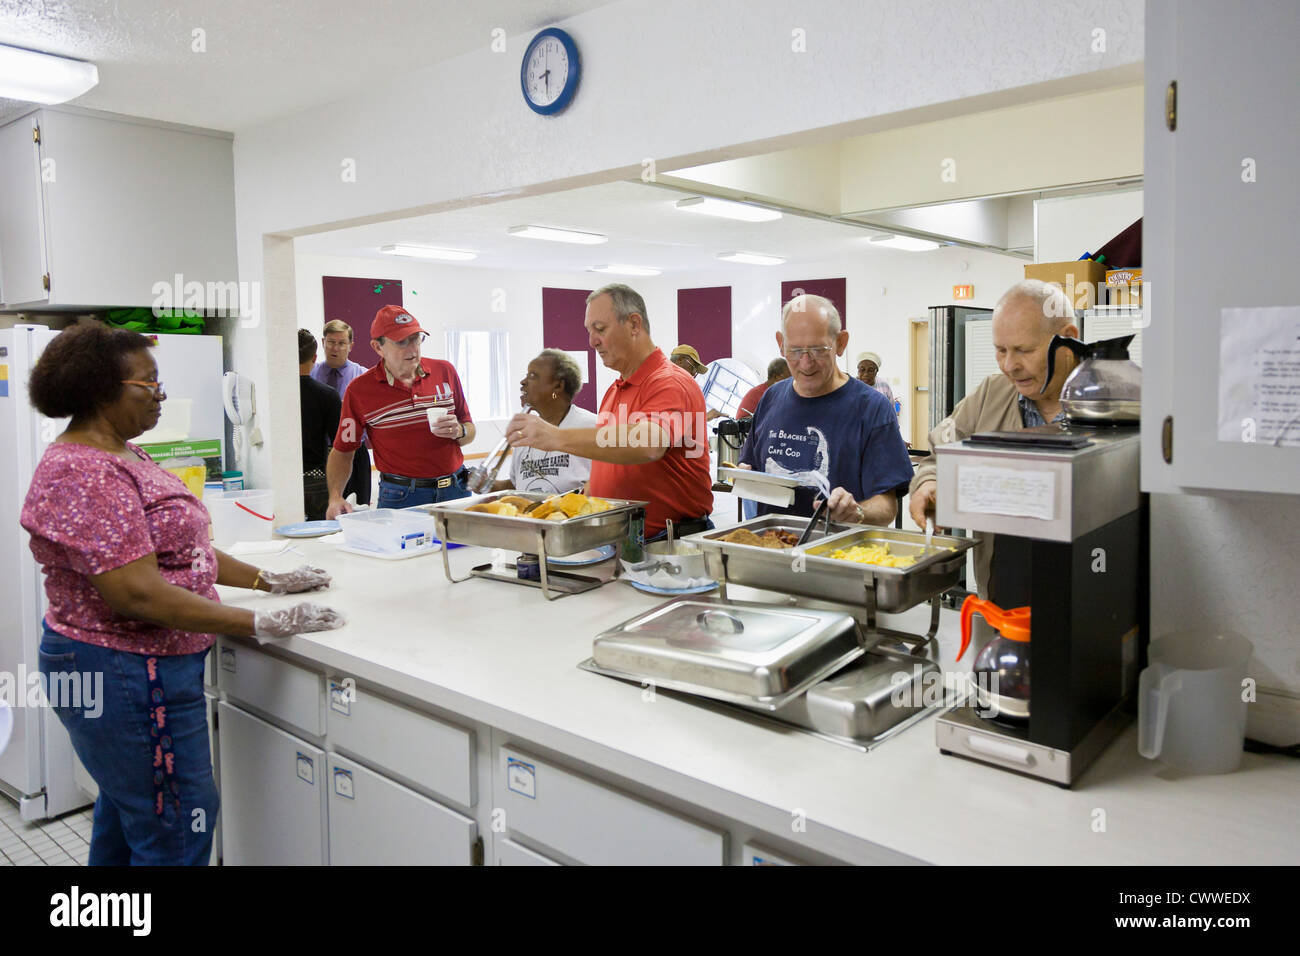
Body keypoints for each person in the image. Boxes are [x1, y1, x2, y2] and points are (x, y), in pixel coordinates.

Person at [20, 324, 344, 866]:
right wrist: (258, 622)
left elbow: (178, 553)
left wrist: (268, 580)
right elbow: (139, 594)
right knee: (177, 822)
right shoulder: (86, 472)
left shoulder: (120, 453)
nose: (160, 393)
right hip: (123, 670)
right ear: (102, 389)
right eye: (149, 383)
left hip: (132, 667)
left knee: (132, 815)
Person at [907, 279, 1081, 597]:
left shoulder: (1111, 401)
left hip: (1087, 583)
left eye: (1024, 350)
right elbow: (940, 451)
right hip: (1002, 589)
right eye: (1000, 350)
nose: (1010, 365)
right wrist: (930, 483)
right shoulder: (991, 393)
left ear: (1068, 339)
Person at [504, 284, 713, 540]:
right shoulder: (615, 391)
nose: (592, 341)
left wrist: (556, 438)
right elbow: (606, 466)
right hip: (622, 541)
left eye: (600, 329)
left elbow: (649, 443)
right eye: (590, 331)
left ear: (634, 324)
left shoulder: (669, 382)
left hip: (668, 545)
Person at [739, 295, 913, 523]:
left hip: (838, 553)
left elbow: (886, 506)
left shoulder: (871, 408)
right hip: (774, 549)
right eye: (795, 350)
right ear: (781, 344)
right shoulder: (772, 398)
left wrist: (857, 512)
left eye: (818, 350)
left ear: (840, 343)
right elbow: (751, 466)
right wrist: (744, 474)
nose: (806, 362)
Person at [326, 305, 476, 517]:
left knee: (463, 550)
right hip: (402, 496)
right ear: (378, 347)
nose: (412, 348)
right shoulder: (359, 391)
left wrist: (459, 431)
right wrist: (335, 496)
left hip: (456, 489)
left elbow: (469, 430)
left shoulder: (445, 372)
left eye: (416, 338)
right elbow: (343, 450)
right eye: (401, 342)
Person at [492, 349, 597, 495]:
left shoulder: (592, 427)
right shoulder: (525, 433)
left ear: (558, 386)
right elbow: (519, 485)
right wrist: (491, 485)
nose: (523, 382)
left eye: (533, 376)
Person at [312, 318, 372, 507]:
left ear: (350, 346)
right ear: (323, 343)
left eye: (341, 343)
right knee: (326, 510)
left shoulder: (362, 376)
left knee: (359, 510)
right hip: (321, 454)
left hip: (355, 453)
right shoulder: (311, 375)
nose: (335, 348)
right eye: (331, 342)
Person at [298, 329, 342, 520]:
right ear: (315, 357)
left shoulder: (273, 394)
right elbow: (339, 446)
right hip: (317, 479)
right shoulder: (327, 395)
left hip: (283, 478)